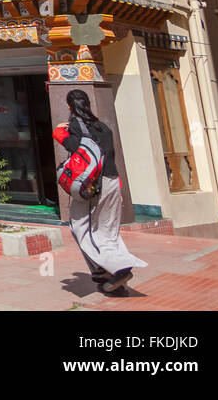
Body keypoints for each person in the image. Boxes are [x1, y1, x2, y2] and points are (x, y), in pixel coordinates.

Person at [57, 89, 147, 295]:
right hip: (112, 182)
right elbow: (110, 156)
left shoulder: (75, 127)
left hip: (92, 186)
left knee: (82, 228)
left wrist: (60, 133)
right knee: (107, 230)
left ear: (69, 107)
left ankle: (116, 271)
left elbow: (75, 147)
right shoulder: (103, 127)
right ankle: (115, 283)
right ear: (88, 104)